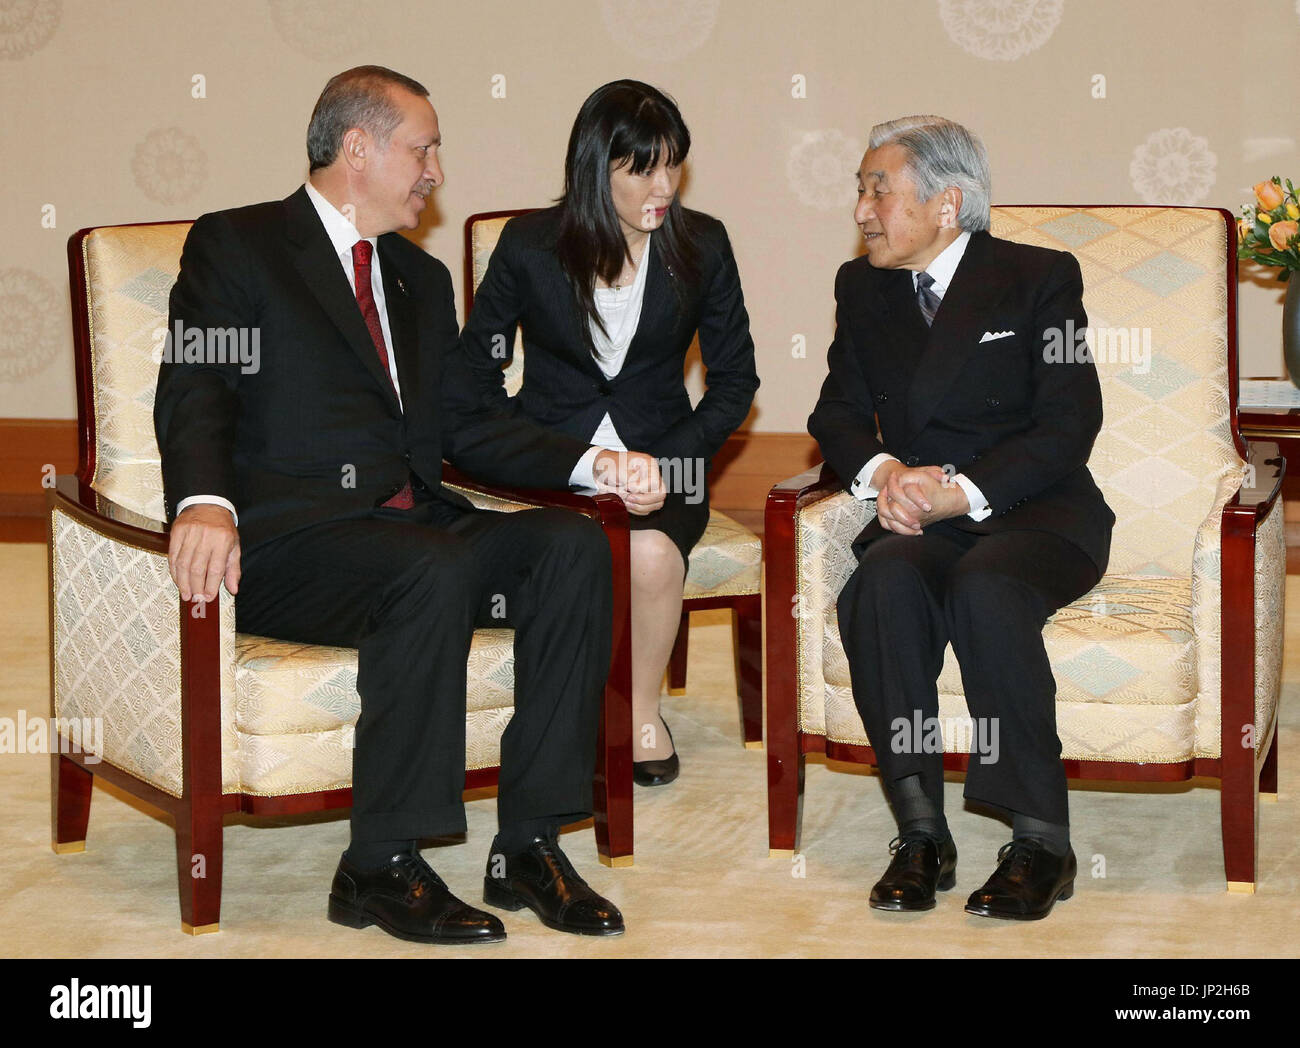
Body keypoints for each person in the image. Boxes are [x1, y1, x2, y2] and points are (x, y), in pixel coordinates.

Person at [154, 65, 662, 944]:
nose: (434, 171)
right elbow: (196, 381)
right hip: (291, 544)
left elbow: (468, 425)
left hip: (417, 526)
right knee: (428, 568)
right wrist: (203, 501)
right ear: (359, 148)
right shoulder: (238, 245)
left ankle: (530, 843)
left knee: (572, 547)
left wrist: (593, 465)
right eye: (423, 150)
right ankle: (379, 865)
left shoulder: (419, 281)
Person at [808, 115, 1114, 920]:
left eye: (880, 188)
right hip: (919, 518)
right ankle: (920, 833)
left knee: (987, 587)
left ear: (947, 203)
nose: (863, 208)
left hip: (1034, 511)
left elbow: (1068, 422)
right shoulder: (862, 286)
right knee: (880, 586)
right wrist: (887, 474)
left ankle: (1042, 839)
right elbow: (835, 413)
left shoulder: (1039, 277)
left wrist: (964, 488)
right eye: (860, 188)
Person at [461, 80, 759, 787]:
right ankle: (558, 711)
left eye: (673, 165)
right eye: (642, 168)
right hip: (553, 459)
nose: (664, 185)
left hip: (665, 459)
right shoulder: (529, 246)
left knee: (652, 557)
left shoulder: (702, 245)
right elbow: (472, 380)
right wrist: (571, 460)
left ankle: (641, 714)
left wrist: (668, 460)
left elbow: (735, 383)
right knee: (567, 554)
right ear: (598, 169)